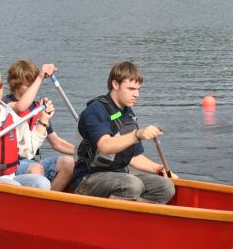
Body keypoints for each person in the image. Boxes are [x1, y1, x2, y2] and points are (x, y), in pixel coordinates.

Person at [71, 61, 176, 204]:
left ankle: (139, 217)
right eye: (131, 89)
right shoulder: (96, 110)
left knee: (166, 187)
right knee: (132, 185)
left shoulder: (127, 113)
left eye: (138, 89)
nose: (137, 94)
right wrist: (136, 134)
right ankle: (119, 217)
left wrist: (159, 169)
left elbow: (134, 157)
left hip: (119, 177)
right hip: (87, 180)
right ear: (115, 85)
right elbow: (105, 146)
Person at [4, 60, 78, 192]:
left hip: (33, 161)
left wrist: (82, 151)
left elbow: (56, 143)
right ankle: (39, 205)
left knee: (69, 163)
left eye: (34, 82)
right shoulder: (5, 105)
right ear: (16, 83)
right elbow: (20, 108)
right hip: (13, 164)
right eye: (29, 83)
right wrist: (40, 76)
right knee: (36, 169)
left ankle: (52, 201)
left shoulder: (38, 108)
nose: (34, 87)